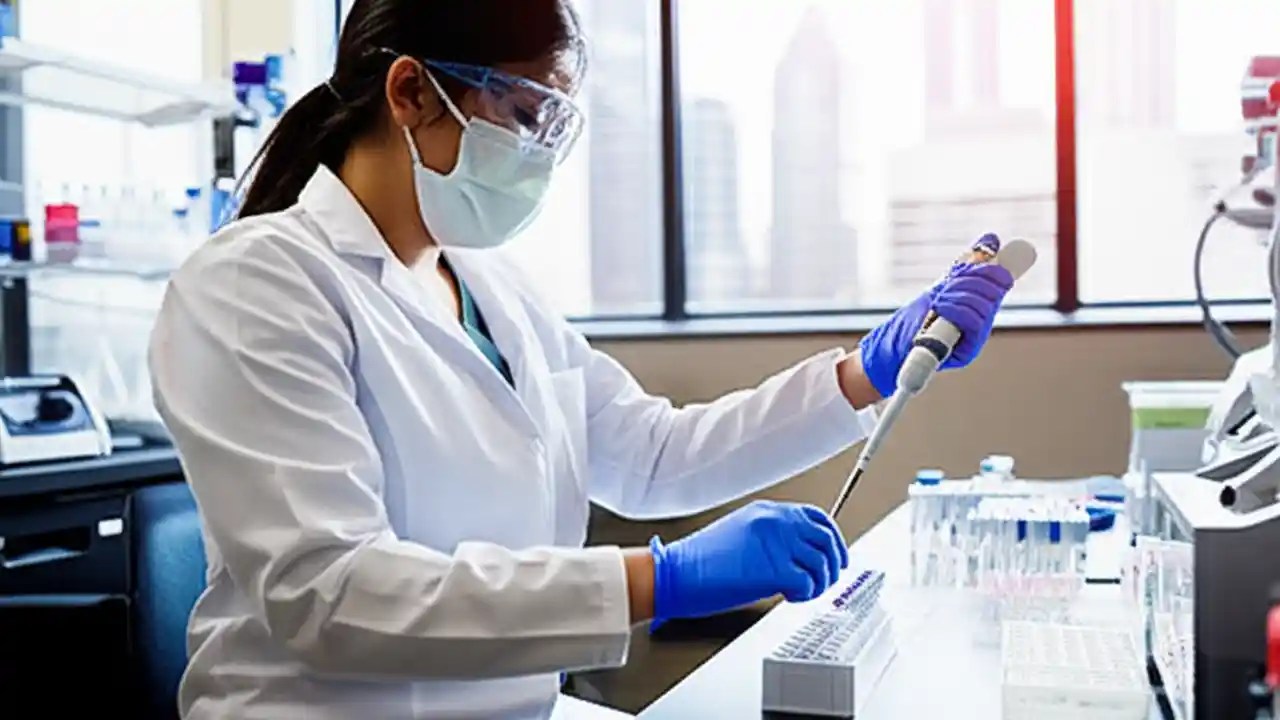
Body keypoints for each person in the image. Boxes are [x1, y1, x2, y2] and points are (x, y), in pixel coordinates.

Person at [147, 1, 1014, 718]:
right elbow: (330, 593)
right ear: (410, 91)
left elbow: (653, 454)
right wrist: (660, 580)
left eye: (552, 127)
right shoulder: (258, 283)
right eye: (525, 114)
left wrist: (868, 372)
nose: (538, 154)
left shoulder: (492, 288)